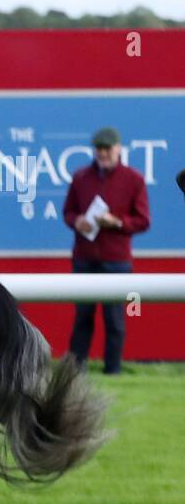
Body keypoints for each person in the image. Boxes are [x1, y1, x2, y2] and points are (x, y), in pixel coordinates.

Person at [62, 126, 151, 375]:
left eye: (107, 148)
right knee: (82, 318)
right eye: (98, 148)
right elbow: (67, 212)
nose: (102, 153)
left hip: (117, 260)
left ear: (118, 148)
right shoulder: (80, 177)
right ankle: (75, 372)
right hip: (84, 258)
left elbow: (143, 221)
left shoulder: (134, 179)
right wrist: (77, 221)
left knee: (115, 320)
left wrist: (117, 222)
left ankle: (113, 370)